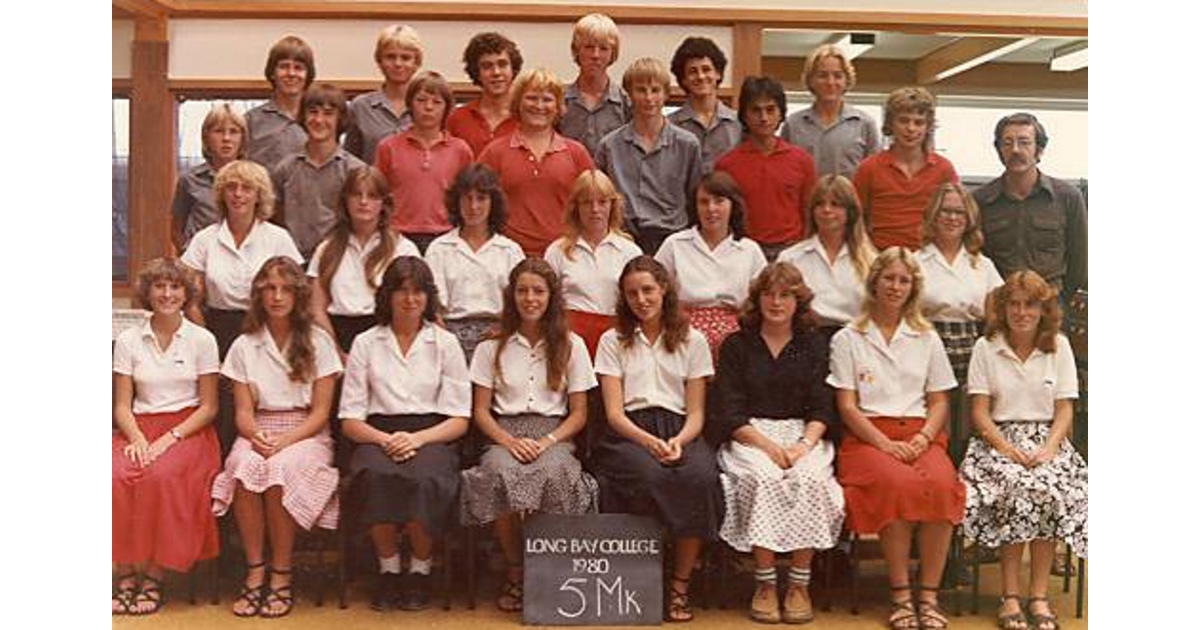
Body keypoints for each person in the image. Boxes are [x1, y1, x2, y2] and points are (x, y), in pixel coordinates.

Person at [827, 246, 964, 630]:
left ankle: (929, 596)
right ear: (874, 282)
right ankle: (901, 595)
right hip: (868, 438)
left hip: (920, 434)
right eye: (889, 277)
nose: (895, 286)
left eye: (904, 280)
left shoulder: (927, 337)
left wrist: (922, 438)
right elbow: (848, 407)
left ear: (913, 287)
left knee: (942, 484)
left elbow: (940, 401)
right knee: (895, 484)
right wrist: (884, 444)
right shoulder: (848, 337)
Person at [460, 259, 599, 612]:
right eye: (522, 290)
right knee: (499, 473)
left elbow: (579, 412)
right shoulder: (490, 347)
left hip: (553, 433)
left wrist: (547, 442)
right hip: (504, 432)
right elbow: (480, 411)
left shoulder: (572, 345)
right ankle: (516, 569)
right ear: (512, 296)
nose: (530, 298)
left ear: (551, 297)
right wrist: (508, 441)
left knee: (555, 474)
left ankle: (547, 570)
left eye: (538, 291)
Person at [709, 262, 843, 624]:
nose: (776, 302)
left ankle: (799, 584)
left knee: (809, 480)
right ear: (757, 299)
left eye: (785, 295)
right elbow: (729, 410)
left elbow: (822, 406)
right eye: (768, 294)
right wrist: (768, 447)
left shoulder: (814, 345)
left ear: (799, 301)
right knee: (763, 479)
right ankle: (765, 583)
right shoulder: (737, 345)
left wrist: (801, 447)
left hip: (804, 434)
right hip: (751, 435)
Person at [591, 256, 723, 623]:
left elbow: (696, 412)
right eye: (632, 293)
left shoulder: (692, 339)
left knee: (699, 477)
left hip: (681, 429)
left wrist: (679, 440)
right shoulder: (612, 340)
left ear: (664, 288)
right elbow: (614, 414)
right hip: (628, 433)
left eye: (648, 289)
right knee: (651, 477)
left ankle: (680, 584)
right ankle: (643, 580)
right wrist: (648, 442)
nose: (641, 299)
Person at [210, 257, 343, 618]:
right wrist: (257, 436)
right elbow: (242, 413)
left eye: (285, 288)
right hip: (259, 429)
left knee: (279, 472)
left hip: (305, 433)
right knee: (243, 465)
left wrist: (285, 442)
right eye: (269, 288)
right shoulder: (244, 344)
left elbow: (320, 413)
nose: (277, 296)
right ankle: (255, 570)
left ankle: (281, 573)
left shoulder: (319, 342)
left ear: (299, 294)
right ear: (258, 294)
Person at [339, 256, 471, 612]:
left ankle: (420, 571)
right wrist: (385, 440)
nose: (410, 299)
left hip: (432, 433)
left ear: (428, 297)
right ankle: (389, 569)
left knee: (426, 478)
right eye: (401, 291)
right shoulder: (366, 343)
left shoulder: (445, 344)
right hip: (376, 433)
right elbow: (350, 420)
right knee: (374, 474)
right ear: (388, 296)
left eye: (418, 292)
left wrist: (417, 439)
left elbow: (460, 418)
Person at [960, 271, 1087, 630]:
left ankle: (1039, 597)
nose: (1021, 312)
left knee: (1047, 490)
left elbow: (1064, 408)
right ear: (1003, 308)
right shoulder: (986, 347)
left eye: (1029, 304)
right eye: (1013, 304)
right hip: (996, 441)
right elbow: (980, 412)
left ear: (1043, 309)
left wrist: (1049, 448)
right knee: (1017, 490)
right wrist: (1007, 449)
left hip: (1048, 439)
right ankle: (1010, 596)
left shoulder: (1059, 346)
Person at [112, 258, 221, 616]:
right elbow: (122, 406)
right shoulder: (128, 340)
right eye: (159, 286)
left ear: (186, 293)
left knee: (161, 476)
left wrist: (169, 438)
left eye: (175, 287)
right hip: (138, 427)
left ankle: (155, 576)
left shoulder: (202, 340)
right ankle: (125, 573)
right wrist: (137, 438)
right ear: (148, 291)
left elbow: (208, 407)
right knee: (113, 476)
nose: (167, 293)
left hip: (189, 430)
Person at [181, 160, 303, 360]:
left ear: (259, 196)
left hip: (267, 329)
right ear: (222, 194)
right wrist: (207, 342)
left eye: (247, 188)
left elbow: (295, 294)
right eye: (231, 187)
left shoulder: (278, 238)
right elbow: (191, 302)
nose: (238, 194)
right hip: (217, 331)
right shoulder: (205, 239)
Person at [478, 68, 594, 256]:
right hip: (508, 255)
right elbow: (477, 203)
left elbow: (593, 205)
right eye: (531, 98)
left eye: (547, 99)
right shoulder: (495, 152)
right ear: (518, 103)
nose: (539, 105)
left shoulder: (576, 153)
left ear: (558, 107)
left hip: (565, 255)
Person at [973, 112, 1087, 299]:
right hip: (1000, 306)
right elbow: (974, 259)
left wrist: (1059, 301)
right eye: (1007, 143)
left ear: (1039, 150)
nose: (1015, 150)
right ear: (999, 150)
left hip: (1051, 304)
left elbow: (1080, 262)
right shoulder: (981, 201)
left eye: (1024, 142)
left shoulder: (1068, 197)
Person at [596, 57, 703, 255]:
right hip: (622, 239)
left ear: (665, 94)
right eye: (640, 90)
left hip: (673, 240)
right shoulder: (609, 146)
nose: (648, 97)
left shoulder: (687, 145)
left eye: (655, 90)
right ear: (629, 95)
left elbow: (694, 198)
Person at [308, 166, 420, 353]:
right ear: (345, 200)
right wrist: (336, 353)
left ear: (384, 203)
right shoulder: (326, 249)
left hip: (385, 339)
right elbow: (316, 309)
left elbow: (411, 306)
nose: (363, 202)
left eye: (372, 196)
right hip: (336, 339)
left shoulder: (402, 249)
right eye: (356, 195)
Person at [656, 171, 766, 358]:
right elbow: (655, 288)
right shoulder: (675, 244)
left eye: (719, 201)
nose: (711, 209)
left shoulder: (749, 250)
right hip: (683, 334)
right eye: (704, 202)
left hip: (737, 337)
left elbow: (761, 299)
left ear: (733, 205)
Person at [424, 163, 525, 361]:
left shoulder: (510, 251)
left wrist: (504, 329)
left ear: (493, 202)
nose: (473, 206)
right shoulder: (440, 249)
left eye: (481, 198)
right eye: (467, 198)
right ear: (457, 201)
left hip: (498, 335)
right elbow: (432, 306)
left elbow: (518, 303)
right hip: (449, 335)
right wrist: (448, 341)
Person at [715, 75, 816, 261]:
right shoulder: (726, 165)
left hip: (792, 251)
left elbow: (809, 214)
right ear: (744, 114)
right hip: (743, 252)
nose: (764, 118)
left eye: (770, 110)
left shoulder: (802, 161)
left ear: (781, 113)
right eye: (756, 110)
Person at [543, 169, 642, 357]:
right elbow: (548, 302)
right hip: (570, 339)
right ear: (576, 207)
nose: (595, 209)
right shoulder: (557, 251)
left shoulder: (630, 251)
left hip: (617, 337)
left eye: (602, 202)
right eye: (587, 202)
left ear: (613, 205)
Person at [374, 71, 474, 253]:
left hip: (446, 236)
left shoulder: (460, 150)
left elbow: (467, 197)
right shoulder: (388, 147)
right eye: (421, 100)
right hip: (398, 236)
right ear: (410, 104)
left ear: (447, 108)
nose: (428, 107)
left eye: (436, 102)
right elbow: (378, 195)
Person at [917, 182, 1004, 384]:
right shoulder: (914, 262)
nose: (952, 218)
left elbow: (994, 321)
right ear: (933, 215)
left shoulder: (984, 266)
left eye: (960, 212)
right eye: (945, 211)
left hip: (972, 355)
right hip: (924, 352)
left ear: (969, 219)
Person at [853, 86, 959, 252]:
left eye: (918, 122)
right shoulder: (869, 168)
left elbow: (956, 218)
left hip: (929, 257)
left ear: (928, 127)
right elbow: (856, 221)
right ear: (890, 124)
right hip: (880, 256)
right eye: (903, 120)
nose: (911, 128)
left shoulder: (944, 169)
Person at [271, 83, 367, 260]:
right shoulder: (285, 168)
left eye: (328, 113)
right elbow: (275, 217)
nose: (319, 120)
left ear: (340, 119)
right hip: (293, 261)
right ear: (303, 116)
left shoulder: (355, 170)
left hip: (339, 260)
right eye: (313, 112)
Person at [777, 174, 877, 341]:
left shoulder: (871, 261)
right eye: (820, 204)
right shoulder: (791, 258)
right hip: (805, 340)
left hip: (857, 340)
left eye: (835, 204)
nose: (827, 210)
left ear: (850, 212)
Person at [780, 44, 881, 178]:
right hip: (806, 198)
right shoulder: (793, 124)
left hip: (850, 198)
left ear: (847, 80)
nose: (830, 82)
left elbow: (875, 175)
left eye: (838, 76)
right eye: (822, 75)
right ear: (811, 80)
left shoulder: (864, 124)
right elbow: (784, 171)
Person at [171, 103, 247, 252]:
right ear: (206, 138)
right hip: (201, 262)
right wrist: (188, 258)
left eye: (233, 132)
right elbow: (176, 229)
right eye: (218, 131)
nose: (226, 138)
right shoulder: (190, 180)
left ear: (243, 138)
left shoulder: (255, 180)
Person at [345, 24, 422, 164]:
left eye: (405, 58)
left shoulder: (428, 106)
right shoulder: (360, 107)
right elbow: (350, 161)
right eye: (390, 57)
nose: (398, 64)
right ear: (379, 61)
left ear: (416, 63)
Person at [558, 13, 630, 157]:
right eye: (589, 47)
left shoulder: (626, 102)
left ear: (612, 54)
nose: (595, 55)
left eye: (603, 48)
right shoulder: (560, 100)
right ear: (577, 51)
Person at [667, 36, 741, 172]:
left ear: (718, 74)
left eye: (706, 69)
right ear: (683, 79)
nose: (701, 76)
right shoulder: (668, 126)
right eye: (693, 71)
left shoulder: (739, 124)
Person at [448, 32, 523, 156]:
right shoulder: (456, 119)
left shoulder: (526, 118)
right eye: (487, 66)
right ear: (476, 72)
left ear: (513, 68)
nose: (496, 72)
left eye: (502, 64)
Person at [246, 35, 314, 170]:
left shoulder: (319, 119)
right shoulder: (251, 121)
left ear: (308, 75)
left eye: (298, 68)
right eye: (284, 66)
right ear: (272, 73)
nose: (291, 73)